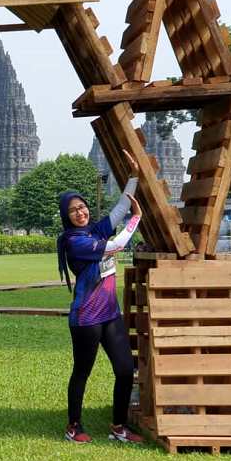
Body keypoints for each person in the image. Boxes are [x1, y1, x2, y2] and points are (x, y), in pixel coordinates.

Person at [57, 149, 144, 445]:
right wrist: (137, 219)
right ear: (66, 216)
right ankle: (73, 426)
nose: (80, 212)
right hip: (86, 318)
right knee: (82, 372)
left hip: (110, 314)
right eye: (73, 210)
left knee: (125, 369)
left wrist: (134, 176)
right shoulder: (75, 241)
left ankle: (119, 426)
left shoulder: (94, 231)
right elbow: (117, 244)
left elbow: (119, 208)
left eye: (82, 207)